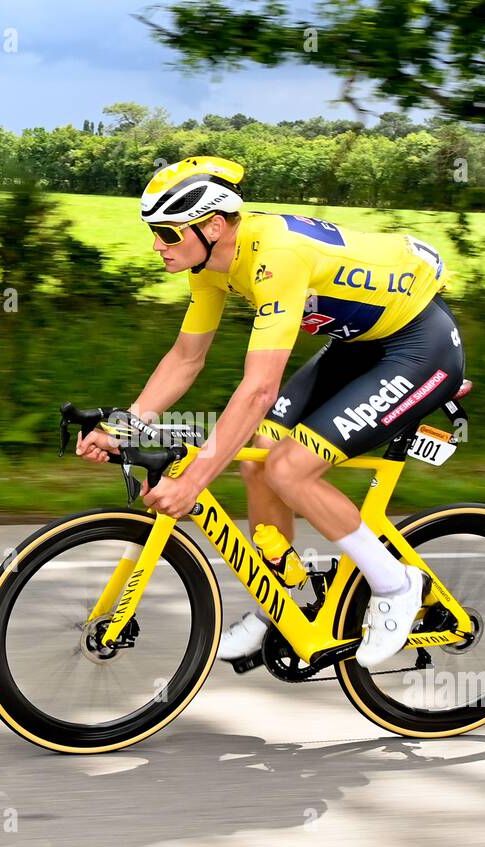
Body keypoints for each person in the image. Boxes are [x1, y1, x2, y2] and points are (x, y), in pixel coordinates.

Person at [75, 156, 465, 669]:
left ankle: (395, 584)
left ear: (212, 225)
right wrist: (121, 426)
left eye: (167, 234)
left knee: (289, 466)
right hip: (360, 345)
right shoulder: (211, 266)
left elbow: (258, 389)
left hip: (420, 347)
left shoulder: (274, 257)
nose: (157, 246)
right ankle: (280, 604)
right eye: (155, 233)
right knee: (259, 454)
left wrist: (191, 483)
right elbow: (186, 358)